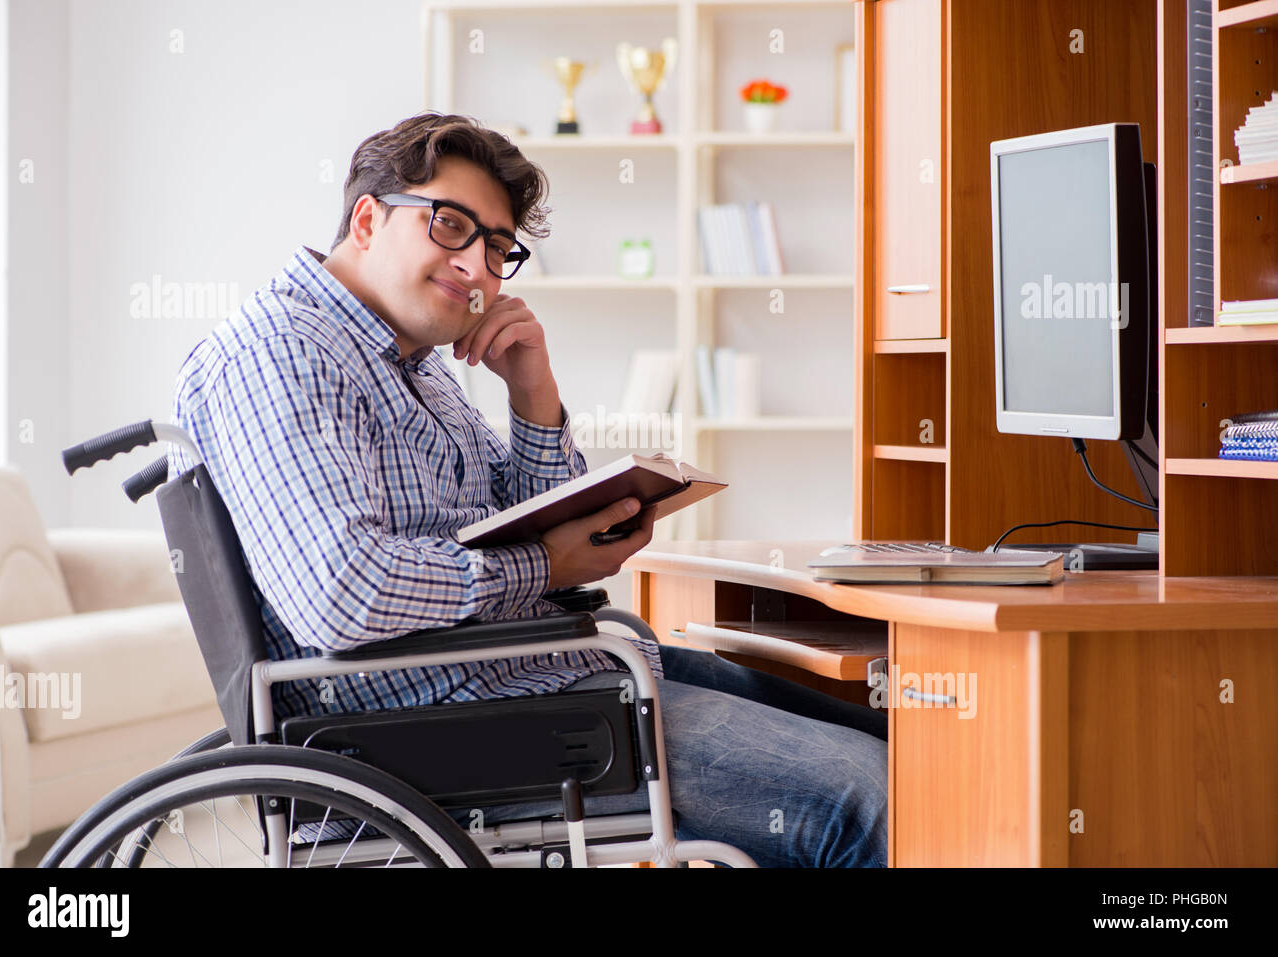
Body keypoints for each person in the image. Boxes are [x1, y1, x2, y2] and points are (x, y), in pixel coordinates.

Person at [169, 112, 887, 867]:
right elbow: (343, 592)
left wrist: (532, 395)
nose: (477, 266)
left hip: (553, 677)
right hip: (457, 728)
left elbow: (515, 519)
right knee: (866, 797)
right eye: (451, 225)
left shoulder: (414, 363)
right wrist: (547, 565)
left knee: (889, 736)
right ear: (368, 218)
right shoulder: (278, 352)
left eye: (498, 247)